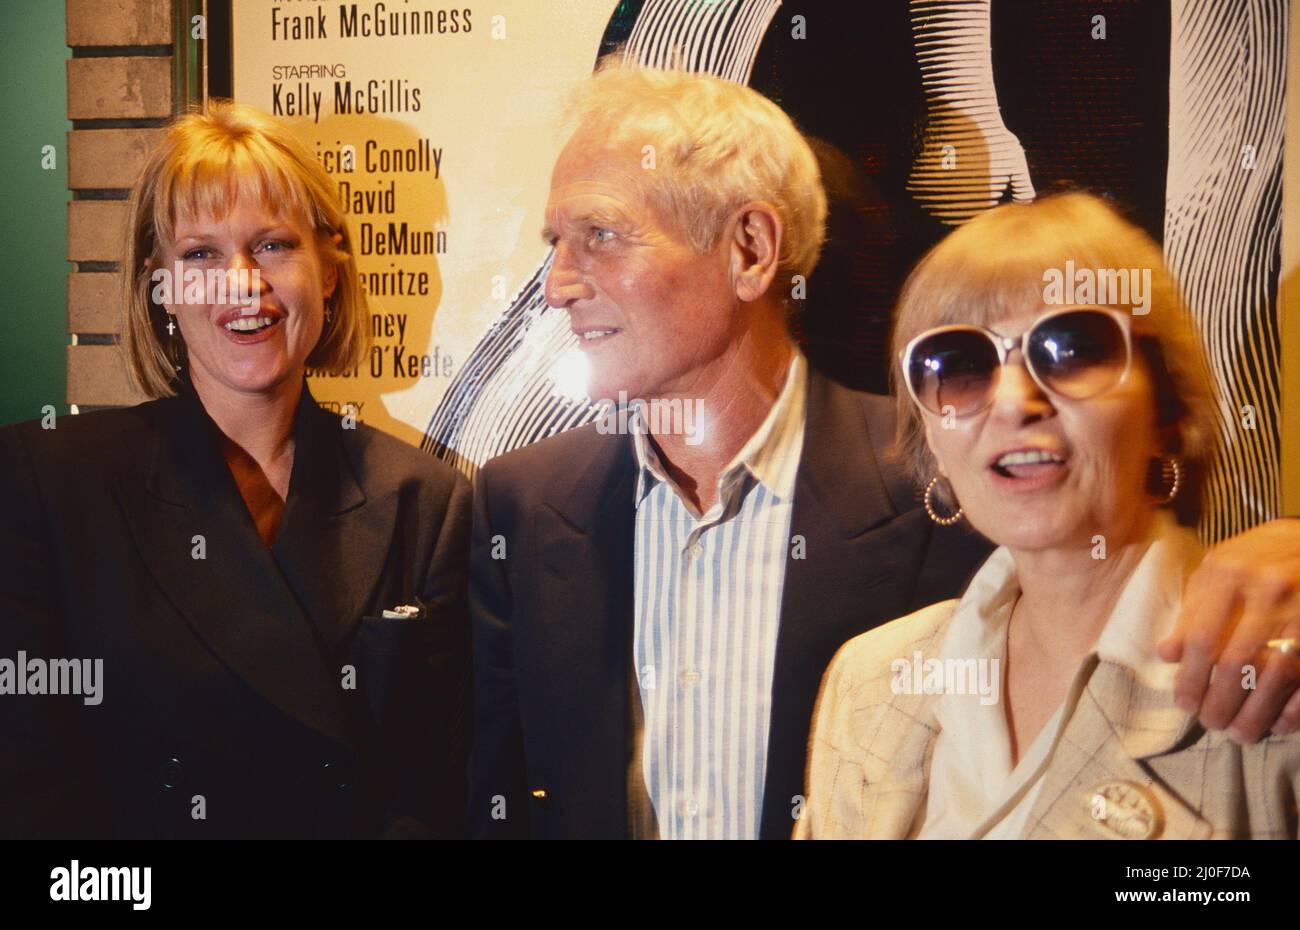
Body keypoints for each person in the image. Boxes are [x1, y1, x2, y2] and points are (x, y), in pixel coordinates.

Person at [466, 60, 1300, 840]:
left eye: (601, 234)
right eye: (957, 366)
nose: (558, 283)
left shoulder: (1256, 670)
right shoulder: (527, 508)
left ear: (751, 250)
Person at [0, 101, 471, 839]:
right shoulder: (46, 482)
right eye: (201, 256)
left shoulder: (429, 501)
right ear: (161, 288)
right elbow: (28, 798)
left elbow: (435, 793)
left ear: (332, 269)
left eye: (274, 245)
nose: (240, 283)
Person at [797, 192, 1300, 839]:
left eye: (1071, 349)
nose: (1013, 401)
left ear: (1166, 412)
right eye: (959, 365)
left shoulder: (1272, 671)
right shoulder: (868, 680)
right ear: (935, 450)